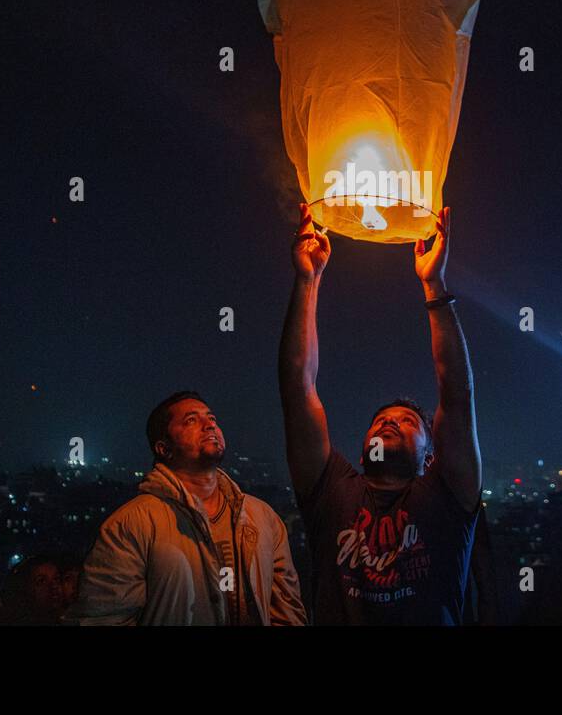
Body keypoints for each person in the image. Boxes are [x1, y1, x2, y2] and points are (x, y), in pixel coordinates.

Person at [278, 203, 481, 624]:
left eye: (407, 423)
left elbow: (457, 395)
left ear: (430, 456)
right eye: (382, 419)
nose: (390, 421)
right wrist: (308, 279)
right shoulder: (331, 491)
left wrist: (435, 285)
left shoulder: (445, 498)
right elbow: (298, 387)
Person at [65, 391, 306, 626]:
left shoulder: (263, 517)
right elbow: (101, 618)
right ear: (163, 448)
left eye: (211, 418)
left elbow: (287, 610)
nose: (209, 425)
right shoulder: (130, 525)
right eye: (191, 420)